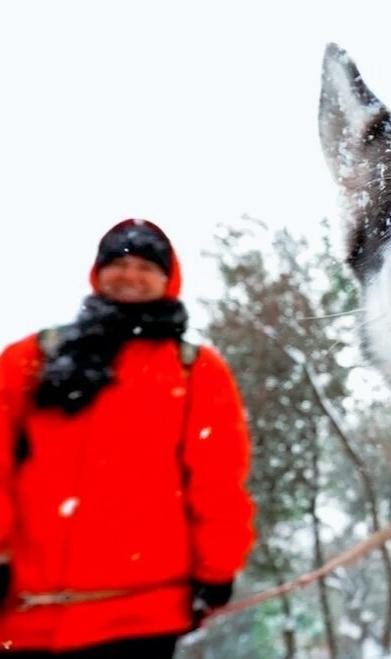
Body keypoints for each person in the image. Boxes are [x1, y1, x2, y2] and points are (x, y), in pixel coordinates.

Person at [0, 219, 256, 657]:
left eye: (145, 266)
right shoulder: (32, 357)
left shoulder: (195, 369)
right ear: (97, 272)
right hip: (26, 613)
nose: (130, 275)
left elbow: (217, 480)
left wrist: (217, 570)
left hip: (144, 614)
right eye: (118, 263)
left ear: (167, 279)